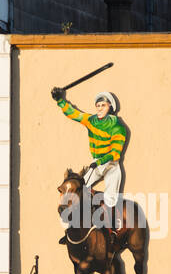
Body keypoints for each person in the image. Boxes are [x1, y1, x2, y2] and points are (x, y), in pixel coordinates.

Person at [51, 87, 128, 230]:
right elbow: (74, 114)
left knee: (111, 197)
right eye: (98, 106)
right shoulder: (91, 120)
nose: (99, 108)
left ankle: (113, 228)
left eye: (103, 105)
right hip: (96, 164)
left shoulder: (118, 126)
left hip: (111, 165)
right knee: (79, 189)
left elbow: (116, 153)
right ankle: (74, 225)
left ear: (110, 107)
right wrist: (60, 100)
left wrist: (98, 162)